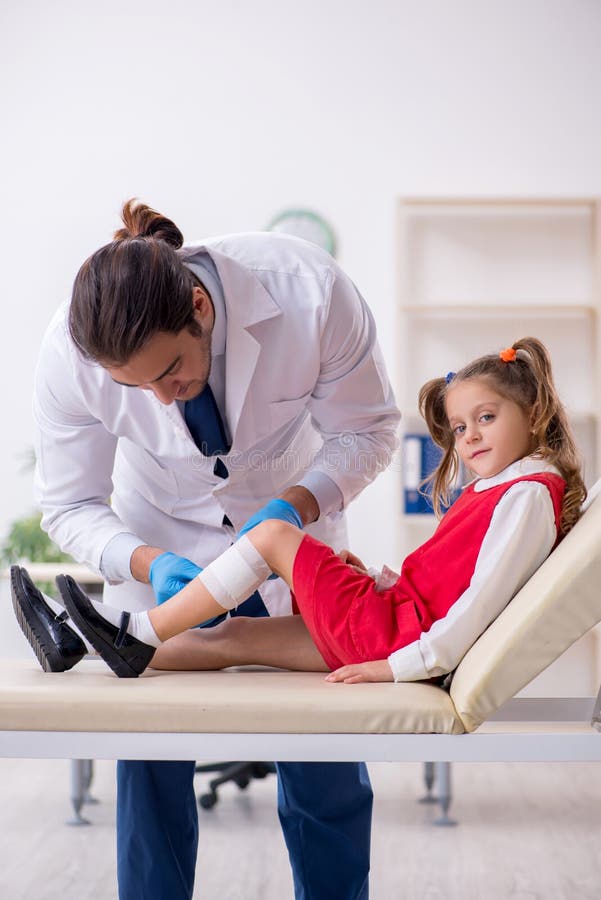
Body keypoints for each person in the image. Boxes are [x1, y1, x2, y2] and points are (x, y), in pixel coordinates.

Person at [16, 199, 401, 900]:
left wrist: (293, 508)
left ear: (199, 306)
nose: (162, 399)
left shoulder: (309, 291)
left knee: (323, 759)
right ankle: (97, 633)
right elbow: (70, 504)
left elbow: (368, 431)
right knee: (149, 766)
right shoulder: (69, 355)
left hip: (293, 531)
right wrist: (149, 562)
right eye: (136, 387)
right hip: (160, 529)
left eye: (171, 371)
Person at [25, 337, 586, 690]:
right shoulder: (502, 489)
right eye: (460, 427)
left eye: (486, 418)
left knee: (273, 534)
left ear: (534, 410)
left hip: (393, 640)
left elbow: (478, 606)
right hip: (392, 623)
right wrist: (381, 582)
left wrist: (397, 666)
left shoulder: (526, 496)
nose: (470, 437)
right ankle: (76, 638)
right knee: (233, 636)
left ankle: (140, 629)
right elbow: (447, 587)